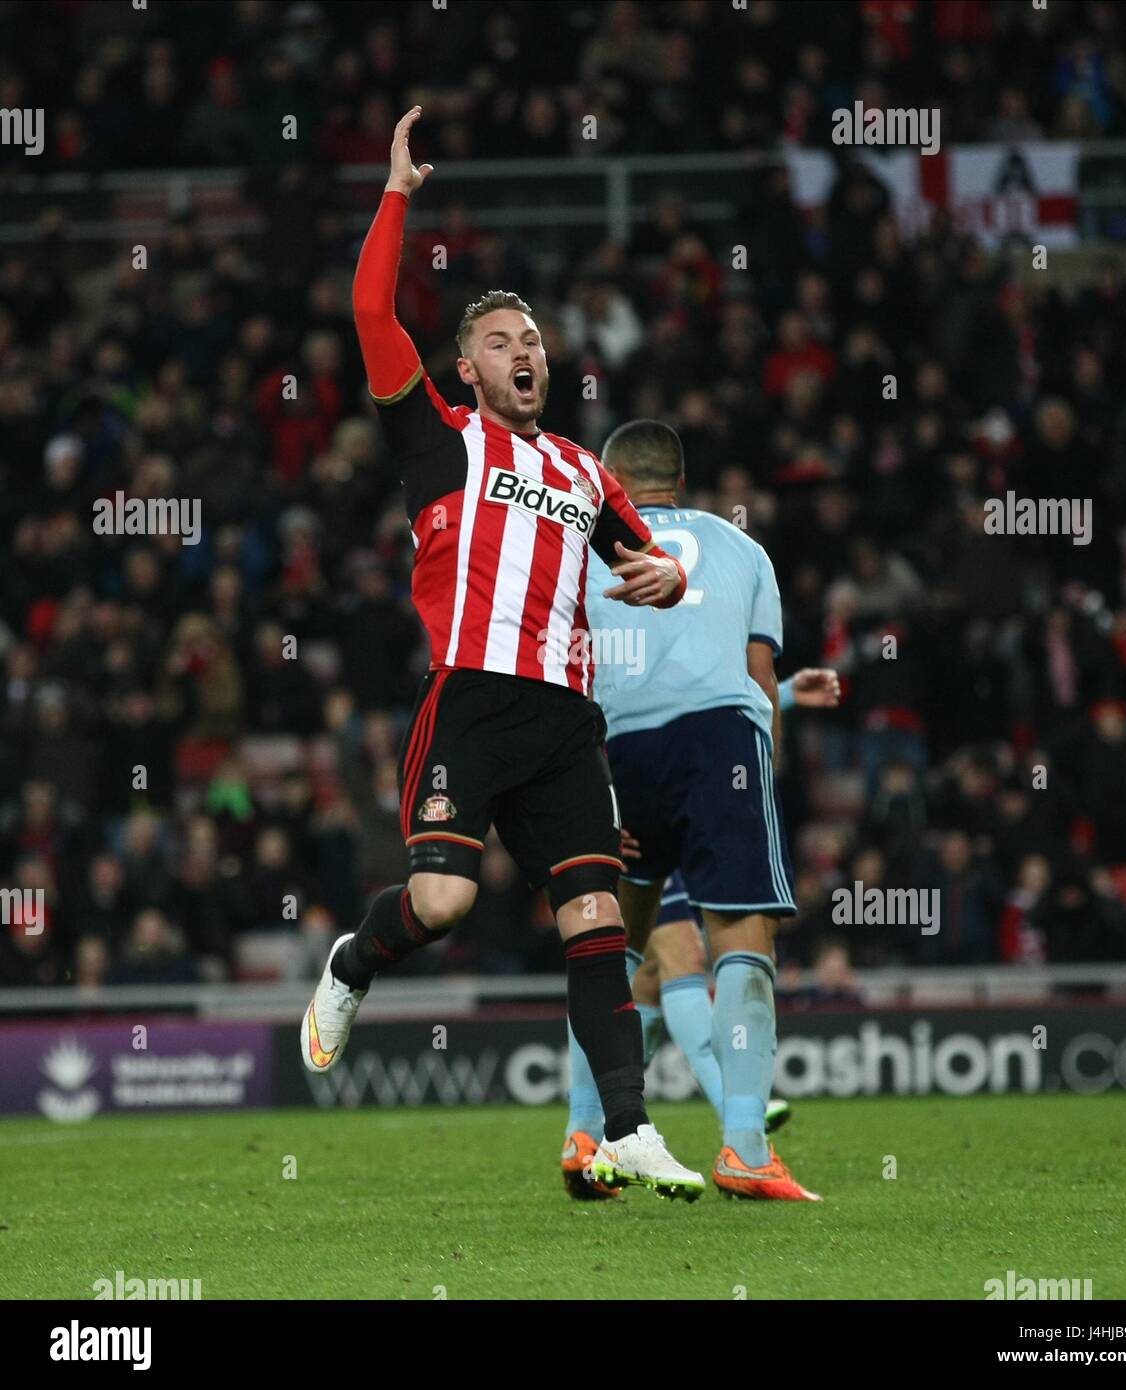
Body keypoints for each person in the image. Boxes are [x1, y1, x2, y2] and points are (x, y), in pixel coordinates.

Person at [299, 108, 704, 1200]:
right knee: (440, 906)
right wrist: (395, 193)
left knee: (592, 919)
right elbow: (368, 308)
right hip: (472, 700)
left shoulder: (581, 468)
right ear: (468, 370)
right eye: (500, 342)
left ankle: (625, 1127)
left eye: (532, 340)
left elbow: (654, 559)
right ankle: (351, 962)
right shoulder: (434, 437)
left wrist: (669, 578)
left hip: (569, 721)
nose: (523, 352)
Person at [562, 418, 828, 1202]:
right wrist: (758, 792)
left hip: (617, 752)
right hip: (718, 745)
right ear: (679, 477)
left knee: (614, 948)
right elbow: (759, 678)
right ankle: (744, 1147)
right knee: (742, 937)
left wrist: (581, 793)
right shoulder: (742, 548)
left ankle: (585, 1138)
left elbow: (562, 676)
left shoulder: (581, 550)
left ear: (611, 479)